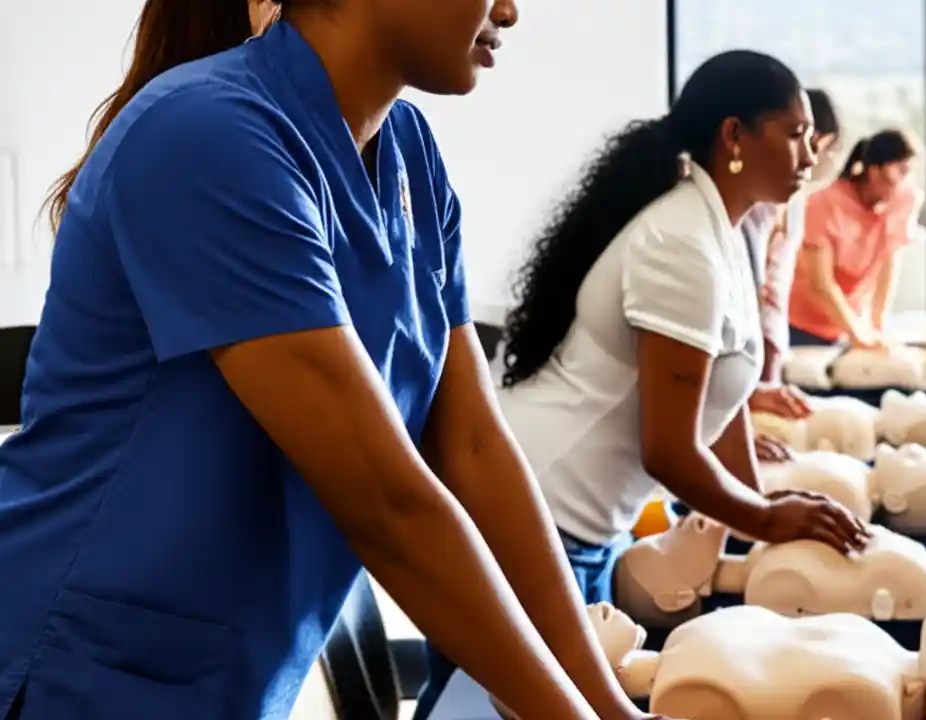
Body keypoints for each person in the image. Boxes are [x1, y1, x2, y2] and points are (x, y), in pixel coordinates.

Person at [0, 1, 668, 719]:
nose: (509, 8)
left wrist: (610, 705)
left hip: (226, 678)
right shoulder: (205, 135)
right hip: (71, 671)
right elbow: (386, 502)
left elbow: (473, 447)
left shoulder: (408, 152)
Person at [497, 51, 869, 606]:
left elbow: (720, 394)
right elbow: (669, 451)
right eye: (795, 134)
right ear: (734, 135)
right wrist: (764, 518)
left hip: (579, 518)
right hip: (536, 513)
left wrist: (758, 500)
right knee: (495, 696)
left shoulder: (719, 228)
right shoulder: (682, 242)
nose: (809, 156)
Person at [743, 87, 846, 461]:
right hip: (747, 336)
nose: (812, 157)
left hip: (769, 333)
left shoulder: (795, 199)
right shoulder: (754, 204)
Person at [788, 129, 923, 350]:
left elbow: (888, 264)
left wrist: (878, 327)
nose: (904, 181)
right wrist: (857, 334)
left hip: (848, 328)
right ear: (874, 170)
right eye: (901, 171)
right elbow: (820, 284)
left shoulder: (898, 202)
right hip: (802, 329)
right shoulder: (824, 204)